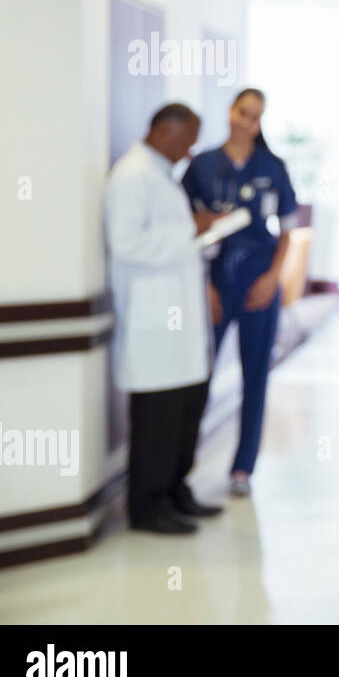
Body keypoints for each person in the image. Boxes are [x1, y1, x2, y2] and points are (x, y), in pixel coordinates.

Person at [105, 104, 225, 534]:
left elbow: (180, 241)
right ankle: (148, 506)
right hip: (152, 324)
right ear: (163, 131)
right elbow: (125, 244)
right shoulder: (133, 175)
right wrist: (189, 230)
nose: (190, 150)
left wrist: (206, 232)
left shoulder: (160, 177)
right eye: (186, 140)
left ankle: (176, 489)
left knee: (186, 409)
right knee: (158, 419)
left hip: (179, 320)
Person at [181, 88, 299, 498]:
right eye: (243, 113)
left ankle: (242, 469)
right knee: (197, 375)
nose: (247, 123)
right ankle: (181, 466)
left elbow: (288, 231)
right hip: (215, 279)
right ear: (230, 112)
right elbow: (187, 229)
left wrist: (272, 278)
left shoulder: (272, 166)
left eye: (256, 117)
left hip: (260, 281)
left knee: (255, 377)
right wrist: (206, 287)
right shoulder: (203, 166)